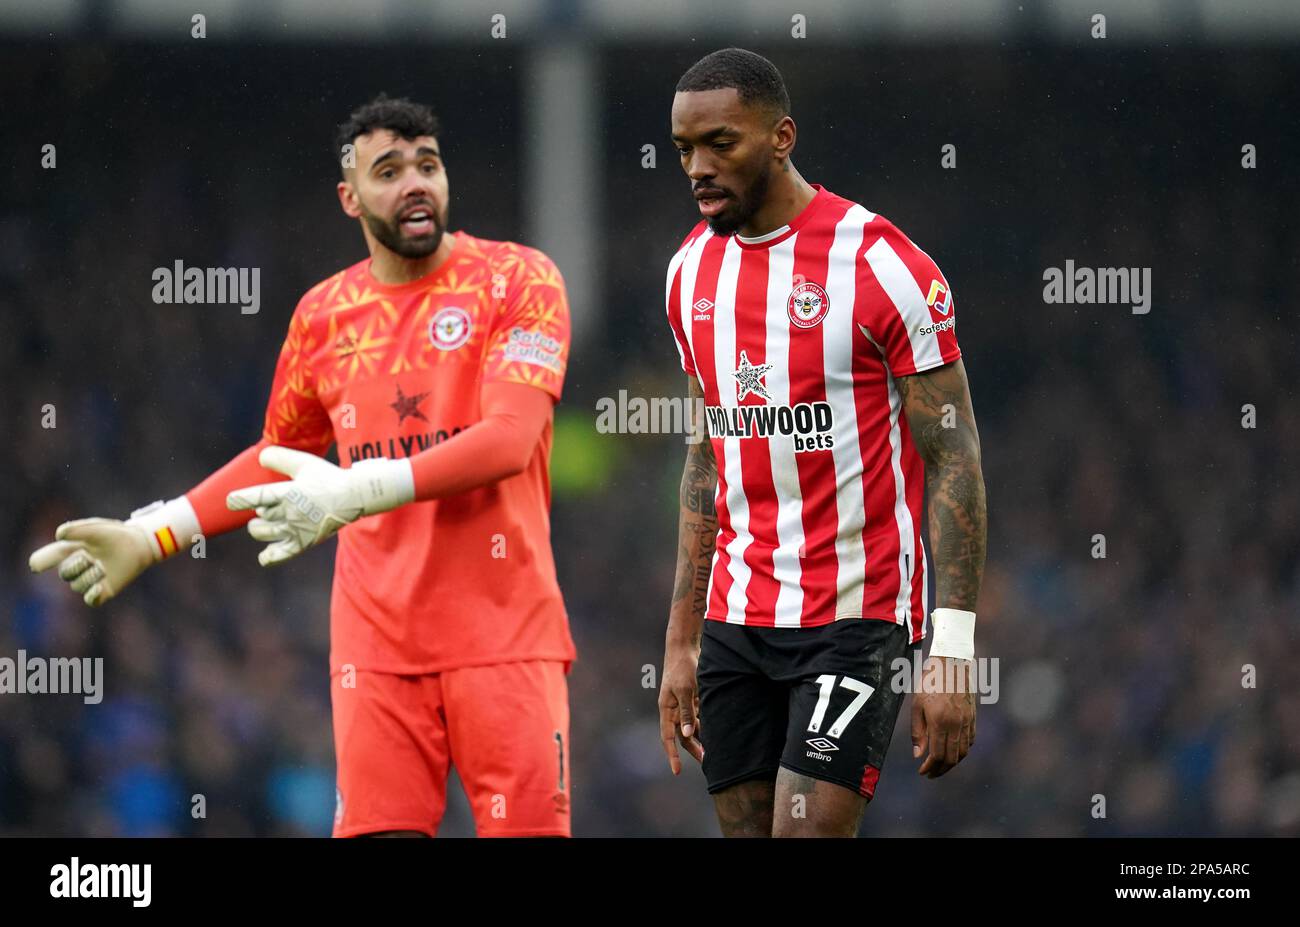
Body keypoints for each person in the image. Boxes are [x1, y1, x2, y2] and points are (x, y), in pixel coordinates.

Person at [29, 94, 576, 838]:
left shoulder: (518, 280)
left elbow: (510, 439)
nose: (416, 182)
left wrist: (358, 488)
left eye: (429, 164)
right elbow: (277, 457)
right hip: (377, 650)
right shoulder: (324, 314)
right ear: (350, 198)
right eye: (389, 170)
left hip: (505, 637)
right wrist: (154, 531)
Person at [657, 49, 988, 837]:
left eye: (720, 144)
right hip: (737, 617)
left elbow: (954, 456)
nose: (698, 167)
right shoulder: (687, 275)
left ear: (782, 137)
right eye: (683, 150)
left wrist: (954, 647)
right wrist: (680, 640)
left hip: (855, 614)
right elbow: (707, 458)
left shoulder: (883, 265)